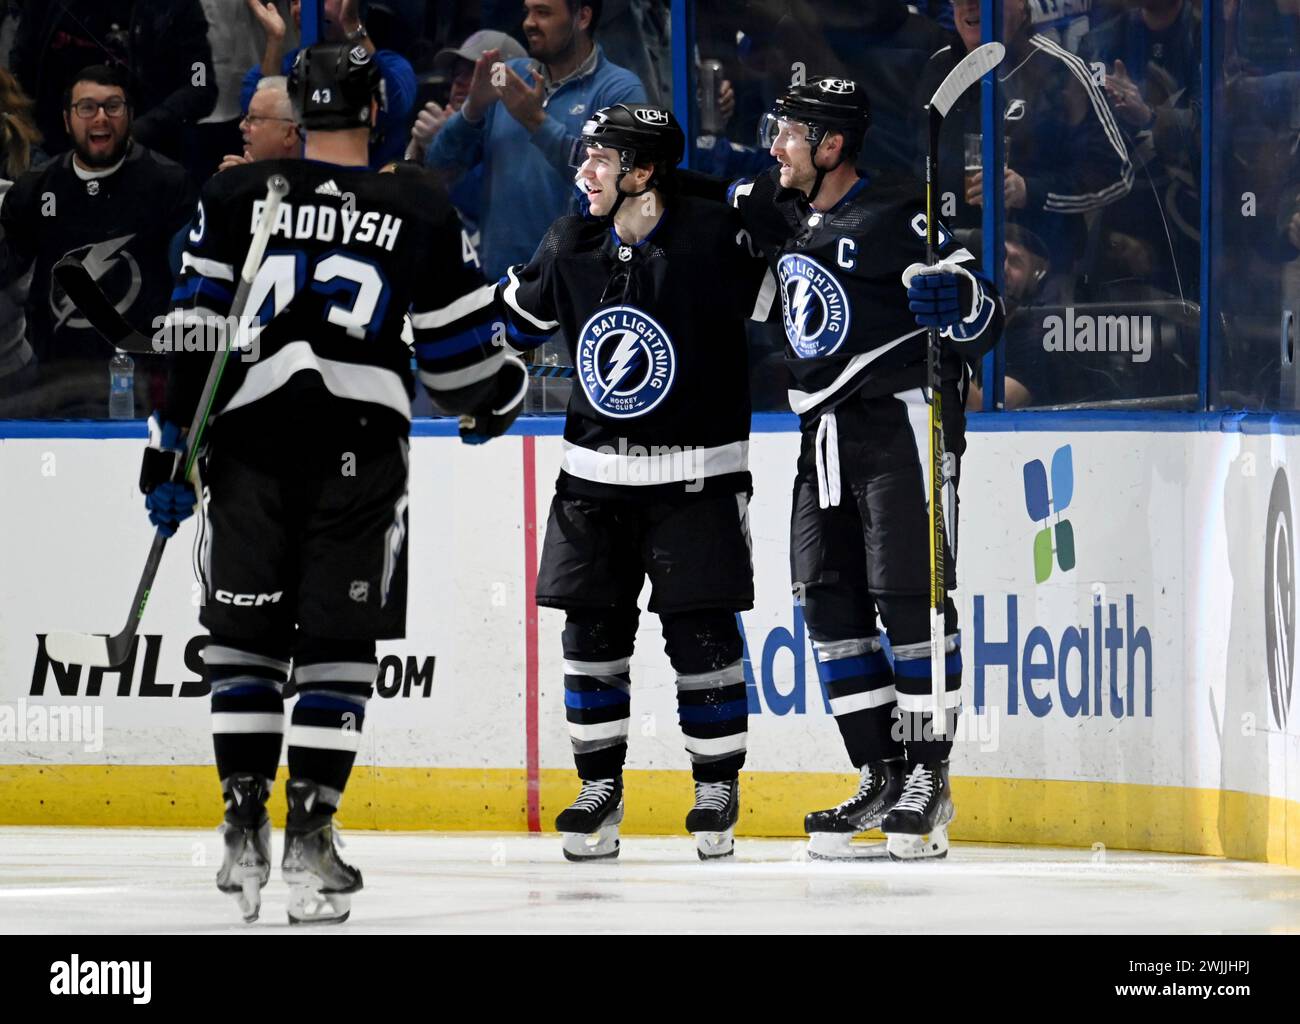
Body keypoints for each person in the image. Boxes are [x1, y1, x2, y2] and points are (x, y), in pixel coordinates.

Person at [144, 42, 523, 924]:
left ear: (300, 115)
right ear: (377, 114)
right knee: (337, 643)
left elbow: (190, 333)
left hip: (245, 445)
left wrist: (166, 451)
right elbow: (464, 368)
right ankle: (312, 835)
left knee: (244, 636)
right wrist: (497, 401)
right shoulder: (415, 206)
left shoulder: (236, 195)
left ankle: (244, 827)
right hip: (357, 449)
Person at [729, 79, 1003, 861]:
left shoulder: (894, 215)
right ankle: (882, 773)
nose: (776, 145)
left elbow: (985, 309)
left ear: (832, 146)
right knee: (827, 602)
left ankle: (929, 775)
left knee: (912, 605)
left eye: (790, 133)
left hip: (899, 424)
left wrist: (958, 298)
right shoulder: (783, 211)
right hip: (821, 436)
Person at [496, 104, 769, 861]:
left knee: (702, 634)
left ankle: (716, 788)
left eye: (600, 158)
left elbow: (789, 304)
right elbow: (510, 328)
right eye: (584, 156)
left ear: (643, 173)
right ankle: (599, 788)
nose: (582, 171)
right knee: (590, 635)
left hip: (697, 481)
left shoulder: (714, 239)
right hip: (592, 483)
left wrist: (759, 206)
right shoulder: (570, 242)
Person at [0, 64, 194, 417]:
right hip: (56, 383)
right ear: (66, 119)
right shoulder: (34, 189)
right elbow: (6, 266)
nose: (100, 118)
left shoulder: (168, 183)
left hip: (144, 382)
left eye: (113, 106)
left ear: (130, 114)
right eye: (87, 107)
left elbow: (189, 279)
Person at [424, 0, 647, 280]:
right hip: (498, 284)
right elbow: (439, 168)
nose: (529, 23)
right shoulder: (511, 77)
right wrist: (472, 111)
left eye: (543, 12)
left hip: (572, 290)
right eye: (527, 12)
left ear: (582, 17)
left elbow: (617, 186)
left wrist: (537, 122)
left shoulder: (619, 90)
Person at [920, 0, 1132, 278]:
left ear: (1022, 5)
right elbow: (914, 166)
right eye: (960, 0)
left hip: (1040, 273)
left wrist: (1028, 190)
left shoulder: (1062, 71)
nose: (971, 7)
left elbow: (1116, 172)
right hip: (951, 265)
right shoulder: (937, 68)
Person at [8, 0, 218, 164]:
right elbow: (20, 65)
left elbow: (199, 85)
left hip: (141, 159)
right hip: (51, 153)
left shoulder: (175, 7)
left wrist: (137, 131)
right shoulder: (49, 5)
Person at [243, 0, 416, 167]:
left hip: (370, 188)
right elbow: (256, 117)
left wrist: (352, 26)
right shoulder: (287, 66)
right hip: (298, 187)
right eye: (295, 1)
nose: (301, 7)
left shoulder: (395, 65)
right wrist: (275, 41)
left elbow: (391, 106)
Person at [218, 79, 300, 171]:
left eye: (254, 118)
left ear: (290, 134)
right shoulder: (240, 177)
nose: (242, 126)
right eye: (245, 117)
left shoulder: (311, 182)